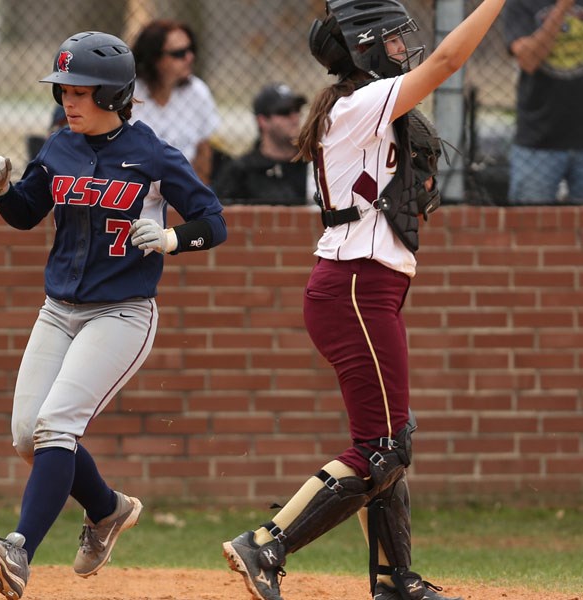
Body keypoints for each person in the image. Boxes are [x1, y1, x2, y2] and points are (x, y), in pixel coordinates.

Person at [221, 1, 503, 600]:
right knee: (382, 446)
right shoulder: (360, 103)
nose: (405, 49)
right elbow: (452, 58)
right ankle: (266, 543)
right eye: (394, 42)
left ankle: (394, 580)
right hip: (356, 286)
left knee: (391, 436)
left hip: (361, 286)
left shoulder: (357, 108)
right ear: (365, 49)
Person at [0, 31, 227, 600]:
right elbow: (27, 212)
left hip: (123, 313)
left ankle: (19, 550)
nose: (68, 102)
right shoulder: (59, 146)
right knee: (25, 435)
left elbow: (213, 218)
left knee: (56, 424)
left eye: (80, 92)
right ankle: (107, 510)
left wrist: (172, 238)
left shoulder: (152, 153)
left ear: (113, 95)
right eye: (63, 90)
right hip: (59, 309)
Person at [504, 0, 583, 204]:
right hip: (538, 139)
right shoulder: (521, 3)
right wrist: (562, 9)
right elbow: (529, 60)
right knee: (529, 226)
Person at [129, 19, 221, 184]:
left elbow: (203, 151)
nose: (189, 57)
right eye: (179, 54)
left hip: (183, 187)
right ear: (155, 58)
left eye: (190, 49)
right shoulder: (130, 94)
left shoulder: (196, 91)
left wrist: (193, 195)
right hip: (136, 187)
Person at [214, 83, 312, 205]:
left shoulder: (311, 165)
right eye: (284, 111)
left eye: (297, 110)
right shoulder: (241, 172)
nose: (294, 117)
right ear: (263, 121)